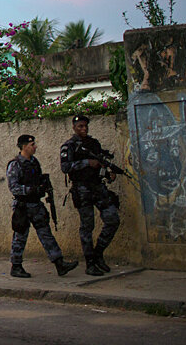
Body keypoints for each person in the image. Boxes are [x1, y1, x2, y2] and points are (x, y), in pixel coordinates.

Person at [7, 134, 78, 278]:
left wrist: (43, 186)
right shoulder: (15, 164)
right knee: (20, 237)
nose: (35, 147)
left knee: (46, 234)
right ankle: (16, 266)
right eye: (32, 144)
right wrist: (31, 190)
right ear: (24, 146)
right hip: (23, 206)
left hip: (36, 205)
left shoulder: (34, 162)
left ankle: (59, 263)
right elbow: (13, 187)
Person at [60, 115, 121, 276]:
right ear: (74, 127)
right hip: (82, 189)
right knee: (87, 227)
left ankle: (98, 253)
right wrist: (87, 163)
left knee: (113, 219)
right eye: (80, 126)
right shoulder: (69, 146)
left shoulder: (94, 144)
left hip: (98, 187)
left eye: (85, 126)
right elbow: (65, 167)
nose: (84, 129)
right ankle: (90, 263)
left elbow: (100, 162)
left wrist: (108, 174)